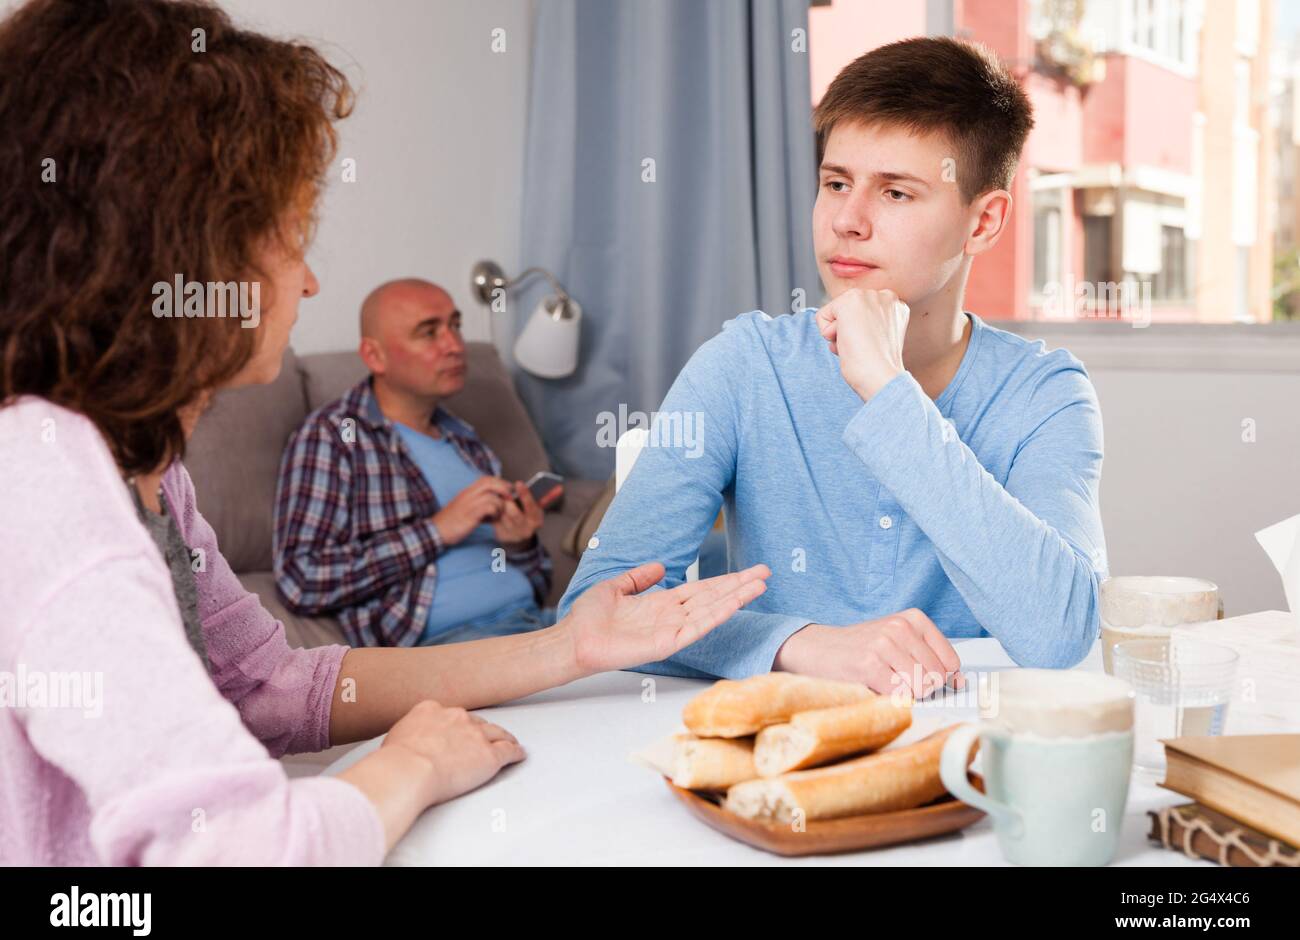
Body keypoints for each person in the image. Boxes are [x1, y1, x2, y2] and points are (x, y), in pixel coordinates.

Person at [0, 0, 769, 866]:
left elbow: (267, 687)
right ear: (189, 247)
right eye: (291, 234)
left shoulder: (146, 465)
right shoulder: (45, 479)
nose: (312, 277)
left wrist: (570, 646)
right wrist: (410, 766)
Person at [559, 37, 1108, 695]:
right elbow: (598, 611)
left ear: (983, 223)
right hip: (776, 742)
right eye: (836, 183)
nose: (847, 221)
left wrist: (887, 392)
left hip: (967, 746)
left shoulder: (1046, 393)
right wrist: (797, 643)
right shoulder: (745, 364)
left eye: (897, 193)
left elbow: (1060, 633)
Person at [275, 279, 562, 648]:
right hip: (456, 642)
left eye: (455, 326)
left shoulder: (465, 440)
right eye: (428, 333)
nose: (454, 345)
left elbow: (537, 583)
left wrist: (521, 545)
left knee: (650, 630)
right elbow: (302, 581)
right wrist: (438, 531)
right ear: (374, 356)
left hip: (535, 621)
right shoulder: (333, 437)